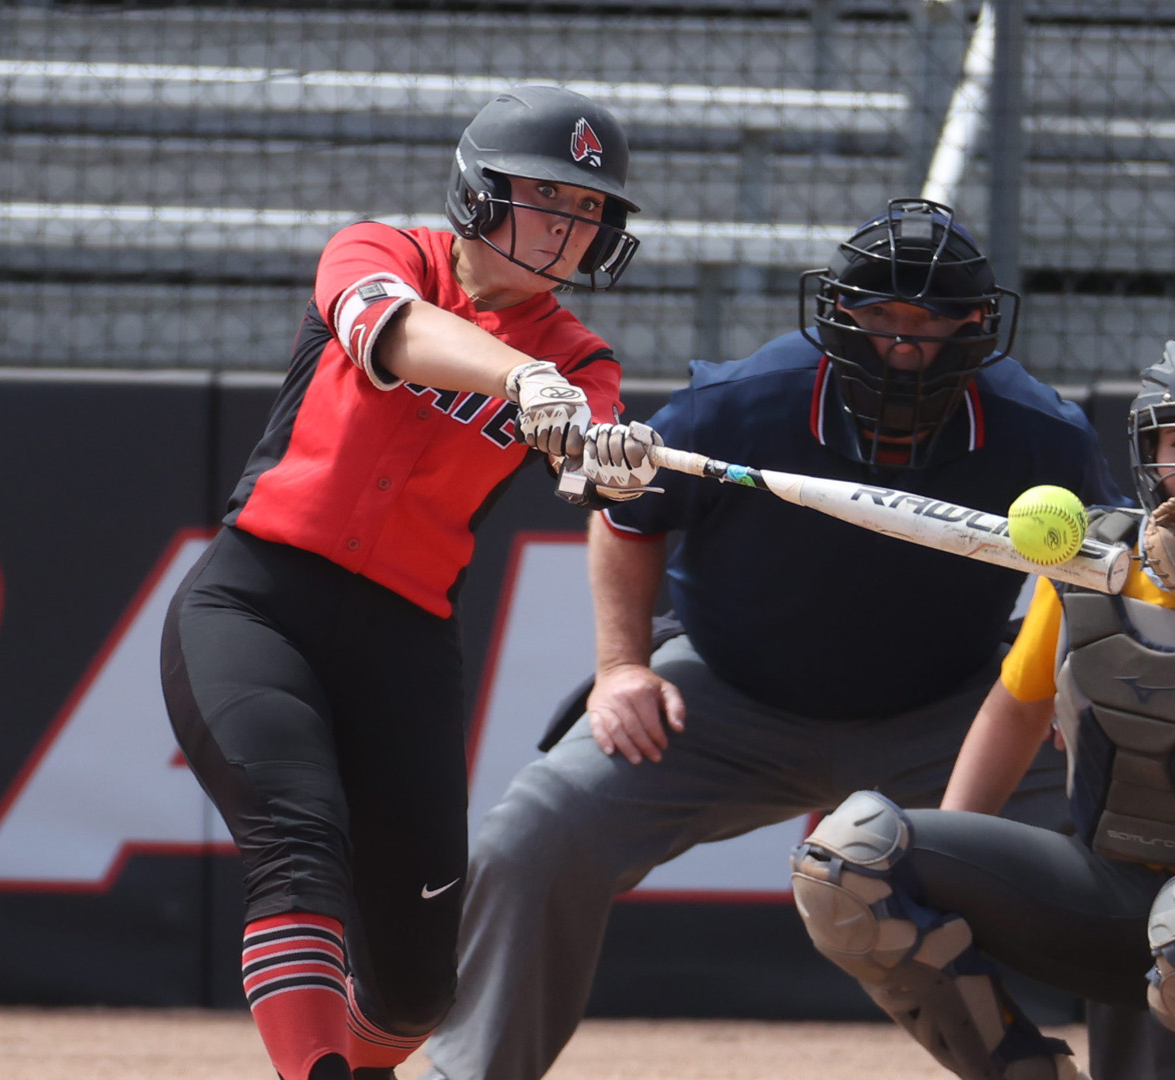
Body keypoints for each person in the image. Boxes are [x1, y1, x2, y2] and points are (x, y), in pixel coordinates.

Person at [415, 199, 1124, 1080]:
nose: (902, 342)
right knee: (533, 836)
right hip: (726, 697)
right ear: (836, 311)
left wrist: (1073, 688)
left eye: (930, 321)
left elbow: (1099, 577)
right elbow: (628, 517)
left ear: (978, 326)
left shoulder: (1041, 431)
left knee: (1134, 844)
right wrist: (621, 667)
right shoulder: (742, 402)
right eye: (880, 316)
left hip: (946, 714)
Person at [160, 86, 646, 1080]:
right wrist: (516, 379)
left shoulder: (581, 358)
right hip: (258, 603)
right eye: (548, 198)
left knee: (420, 986)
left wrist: (617, 463)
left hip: (404, 645)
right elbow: (386, 329)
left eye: (588, 210)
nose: (569, 228)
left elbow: (592, 470)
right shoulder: (383, 250)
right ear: (480, 195)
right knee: (298, 842)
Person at [790, 326, 1175, 1080]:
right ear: (1150, 452)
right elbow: (1014, 710)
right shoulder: (1090, 564)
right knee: (854, 856)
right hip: (1105, 884)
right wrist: (952, 861)